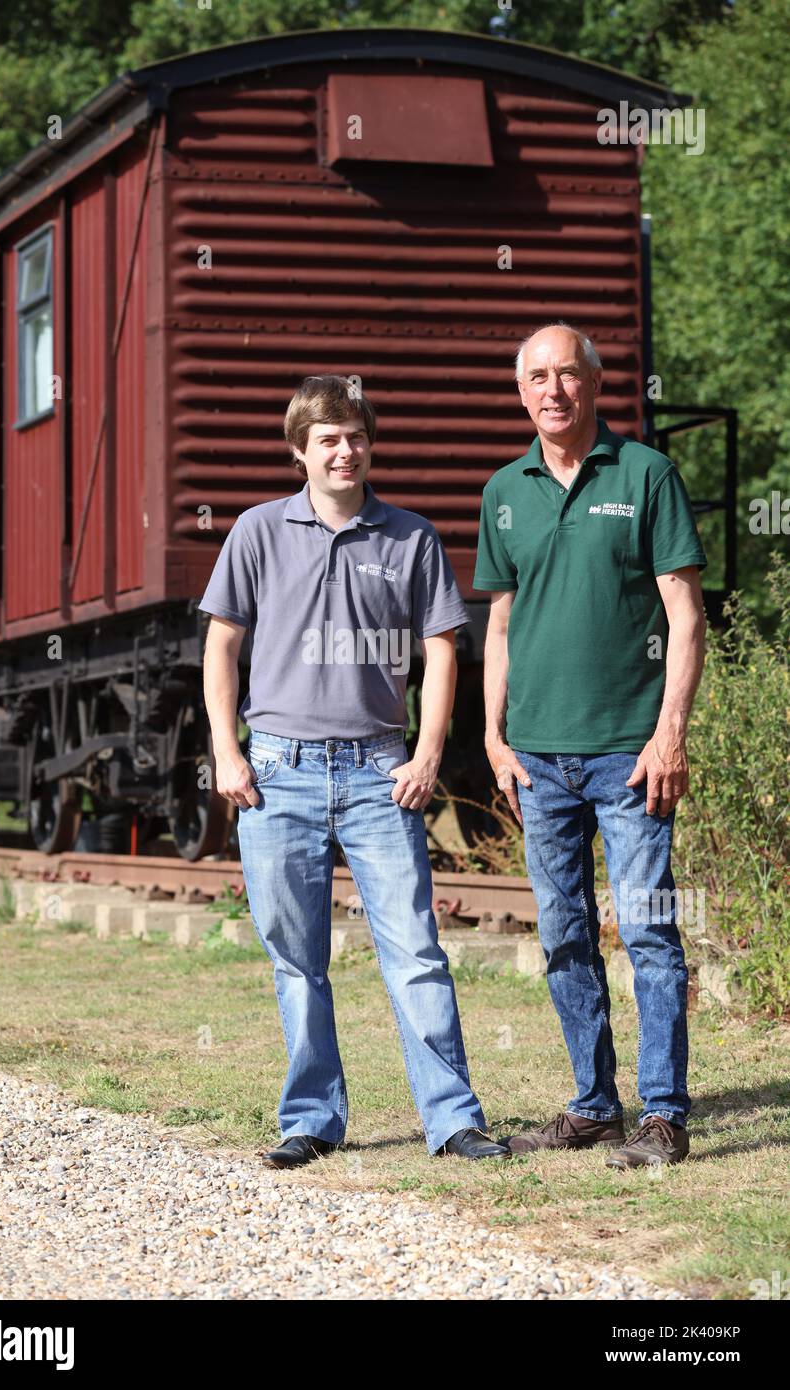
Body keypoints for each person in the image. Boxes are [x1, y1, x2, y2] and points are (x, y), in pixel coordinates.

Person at [200, 374, 510, 1168]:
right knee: (295, 957)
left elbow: (443, 647)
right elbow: (222, 645)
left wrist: (430, 752)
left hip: (379, 770)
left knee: (413, 951)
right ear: (299, 451)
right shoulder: (257, 532)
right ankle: (310, 1119)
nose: (345, 450)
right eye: (328, 439)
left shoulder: (409, 537)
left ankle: (452, 1121)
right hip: (276, 770)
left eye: (356, 437)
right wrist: (225, 750)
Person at [474, 322, 707, 1168]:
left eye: (566, 374)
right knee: (564, 937)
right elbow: (497, 625)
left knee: (648, 932)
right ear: (521, 391)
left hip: (628, 755)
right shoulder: (503, 491)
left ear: (594, 383)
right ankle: (593, 1106)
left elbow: (685, 616)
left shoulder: (646, 475)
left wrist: (668, 733)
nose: (552, 390)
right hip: (538, 764)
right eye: (536, 376)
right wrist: (493, 739)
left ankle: (663, 1116)